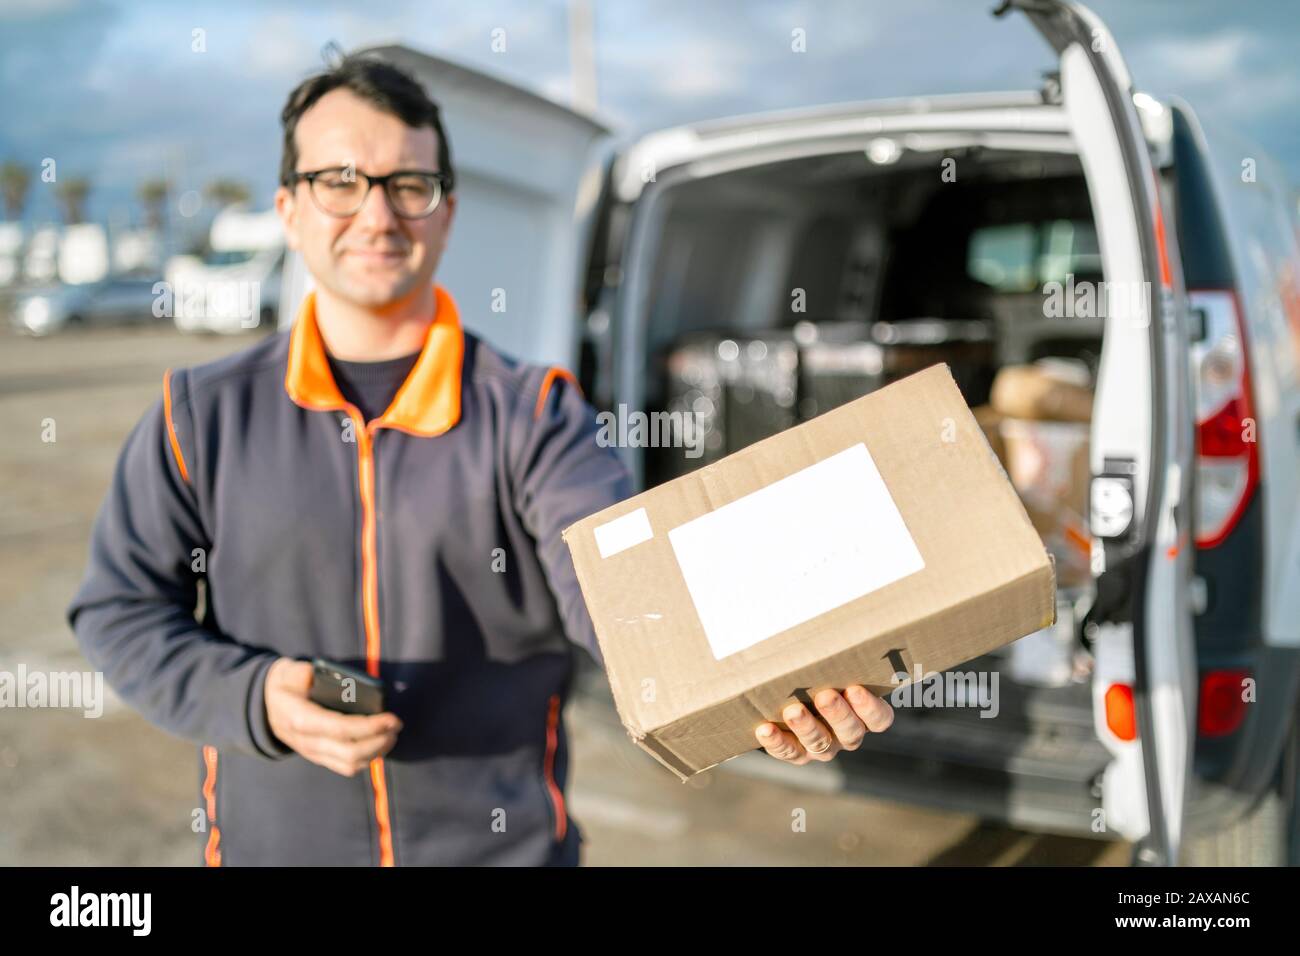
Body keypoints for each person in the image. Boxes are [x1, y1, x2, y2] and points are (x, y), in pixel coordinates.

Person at [67, 54, 894, 866]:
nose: (378, 215)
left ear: (447, 213)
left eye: (408, 185)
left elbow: (619, 594)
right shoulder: (197, 416)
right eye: (339, 181)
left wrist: (777, 676)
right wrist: (251, 698)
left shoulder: (535, 414)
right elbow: (120, 611)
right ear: (289, 208)